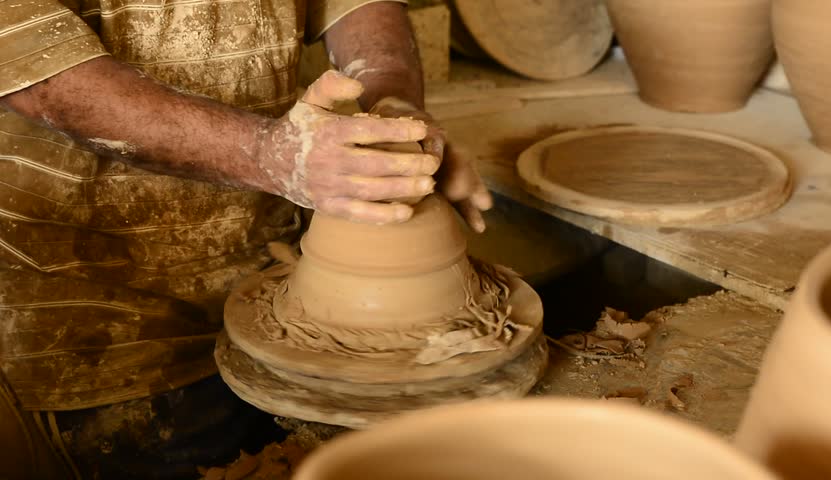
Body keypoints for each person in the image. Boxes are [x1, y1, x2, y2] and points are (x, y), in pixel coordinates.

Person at [0, 0, 492, 477]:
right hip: (103, 324)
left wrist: (392, 105)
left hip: (280, 283)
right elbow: (42, 78)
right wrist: (268, 155)